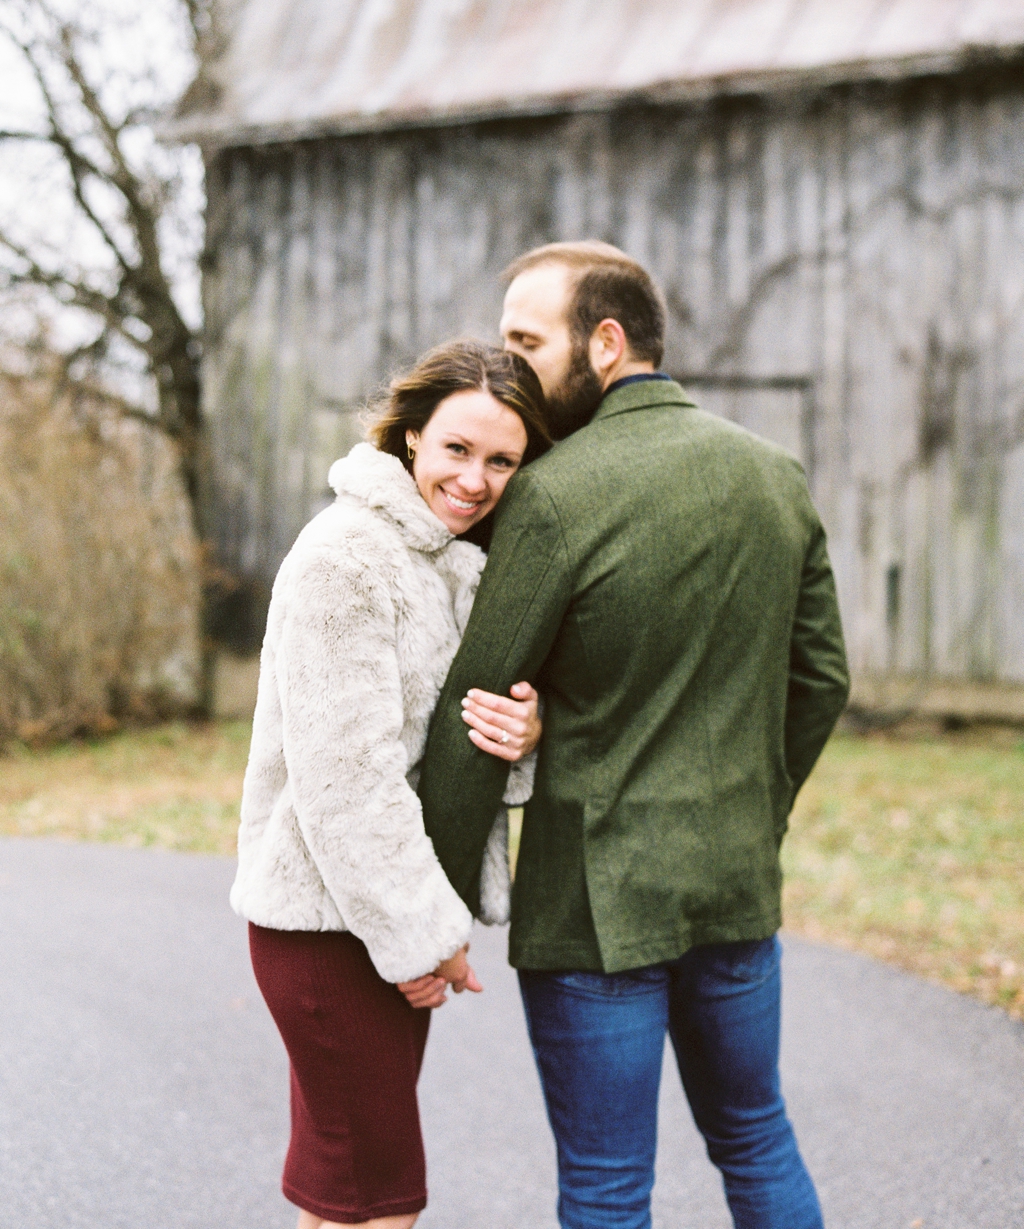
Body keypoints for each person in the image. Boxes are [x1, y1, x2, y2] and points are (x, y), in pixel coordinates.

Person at [415, 242, 851, 1229]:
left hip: (594, 902)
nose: (510, 365)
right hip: (735, 882)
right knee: (755, 1135)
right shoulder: (772, 474)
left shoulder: (553, 496)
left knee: (609, 1188)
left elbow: (472, 718)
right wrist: (753, 804)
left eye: (527, 341)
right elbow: (821, 681)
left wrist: (425, 911)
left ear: (605, 343)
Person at [231, 339, 552, 1229]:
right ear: (411, 436)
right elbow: (348, 786)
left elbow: (443, 737)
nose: (476, 477)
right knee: (379, 1200)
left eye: (501, 460)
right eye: (457, 448)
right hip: (330, 931)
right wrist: (423, 936)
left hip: (366, 924)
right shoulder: (348, 558)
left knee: (345, 1198)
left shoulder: (451, 562)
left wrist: (521, 733)